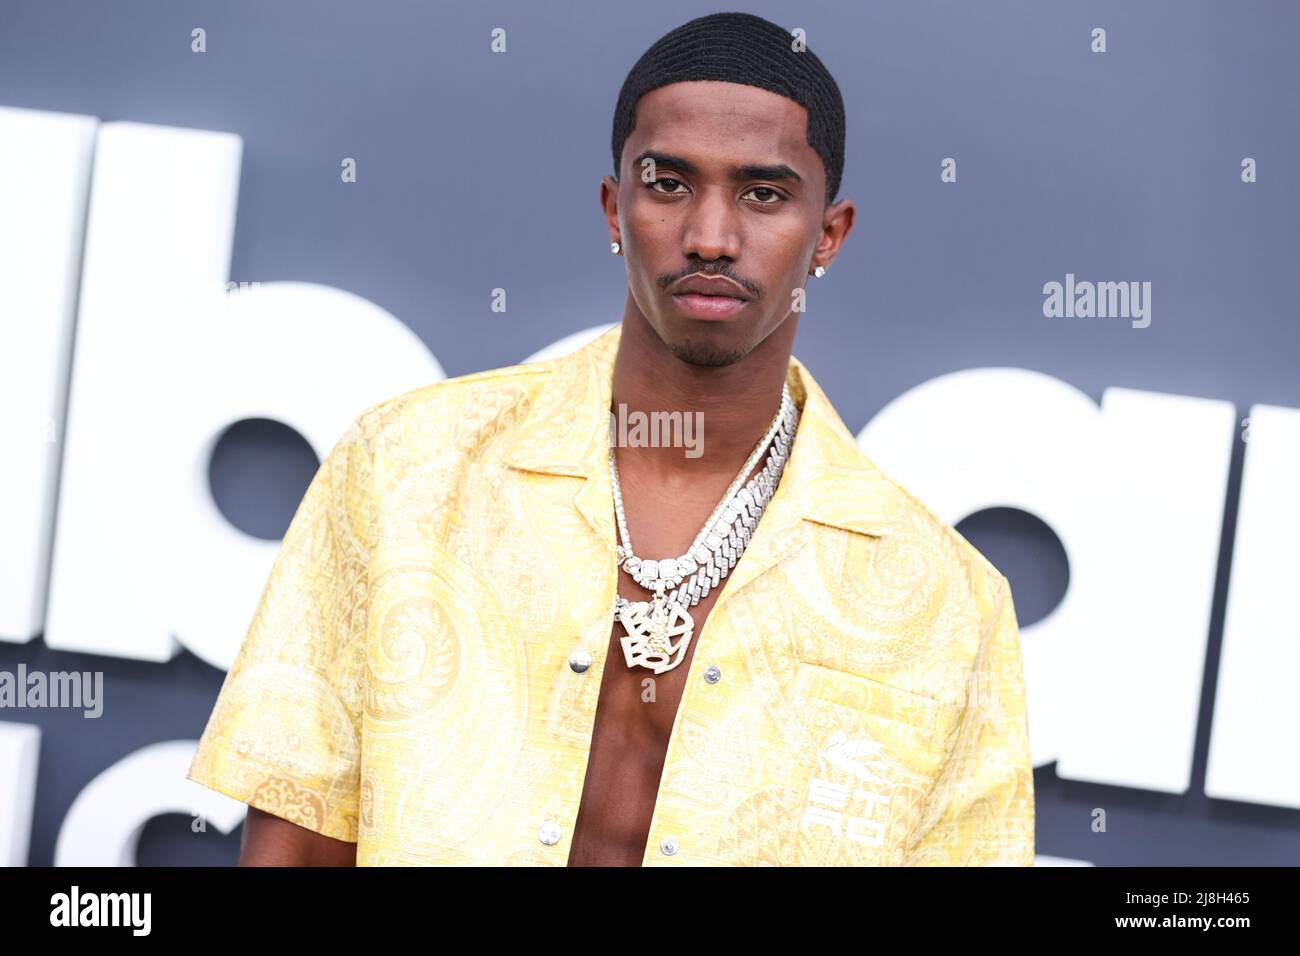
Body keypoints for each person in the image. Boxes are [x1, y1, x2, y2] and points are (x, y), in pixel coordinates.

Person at [187, 11, 1034, 866]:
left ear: (829, 234)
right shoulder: (408, 468)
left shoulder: (948, 607)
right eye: (668, 183)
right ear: (614, 208)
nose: (711, 237)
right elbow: (293, 844)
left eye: (764, 194)